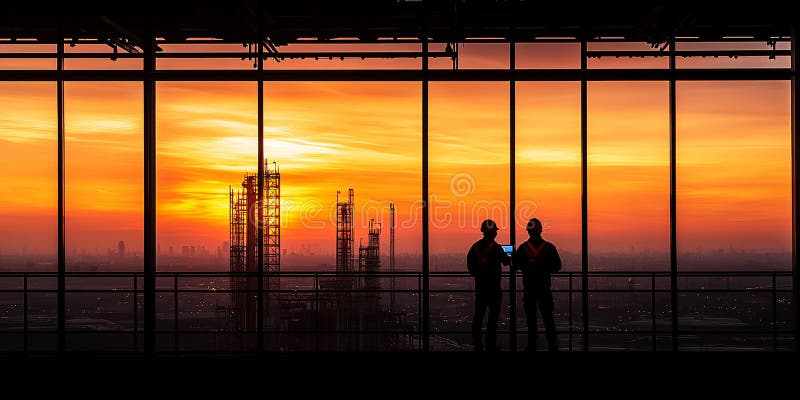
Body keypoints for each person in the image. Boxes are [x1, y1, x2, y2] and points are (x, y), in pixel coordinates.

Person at [513, 218, 561, 352]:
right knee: (548, 318)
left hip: (529, 288)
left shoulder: (523, 248)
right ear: (540, 230)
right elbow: (557, 266)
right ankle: (552, 345)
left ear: (528, 231)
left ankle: (532, 346)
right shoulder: (549, 247)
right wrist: (543, 268)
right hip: (544, 288)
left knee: (531, 319)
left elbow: (514, 266)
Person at [467, 219, 511, 352]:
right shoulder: (497, 248)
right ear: (493, 233)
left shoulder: (474, 247)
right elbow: (506, 262)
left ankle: (477, 344)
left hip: (480, 288)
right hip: (494, 289)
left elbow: (471, 268)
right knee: (493, 318)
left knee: (478, 316)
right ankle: (490, 344)